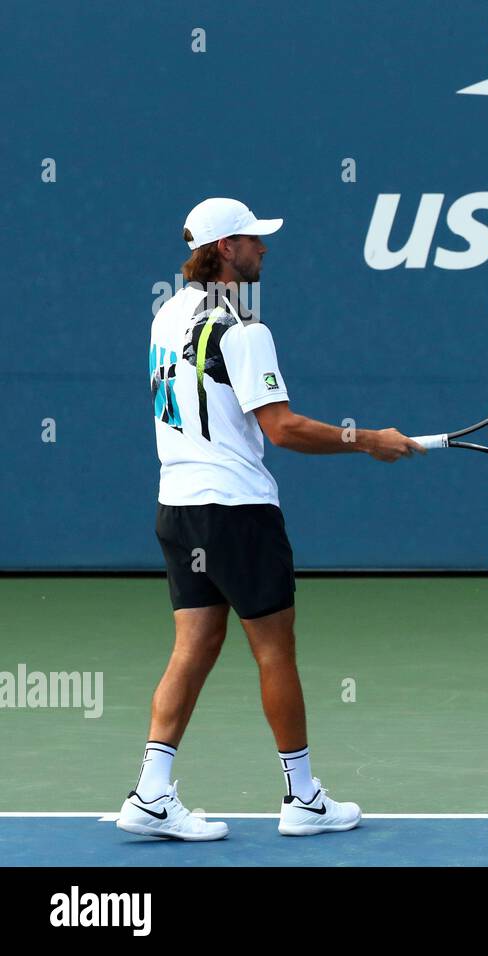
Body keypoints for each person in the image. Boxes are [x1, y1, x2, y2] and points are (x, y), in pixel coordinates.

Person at [119, 198, 423, 840]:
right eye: (255, 239)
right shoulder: (243, 329)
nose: (264, 248)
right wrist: (370, 440)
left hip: (178, 510)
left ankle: (150, 794)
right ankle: (303, 799)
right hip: (237, 512)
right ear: (226, 248)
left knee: (193, 646)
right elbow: (282, 429)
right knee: (274, 651)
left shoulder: (165, 317)